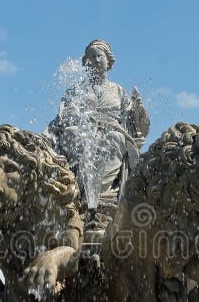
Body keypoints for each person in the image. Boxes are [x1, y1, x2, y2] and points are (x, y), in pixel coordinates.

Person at [49, 39, 150, 217]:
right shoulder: (75, 91)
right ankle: (81, 193)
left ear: (108, 60)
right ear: (86, 63)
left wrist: (138, 109)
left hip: (111, 134)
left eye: (99, 56)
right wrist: (81, 118)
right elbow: (63, 117)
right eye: (91, 57)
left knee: (115, 138)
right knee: (75, 134)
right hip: (83, 131)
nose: (95, 60)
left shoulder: (118, 91)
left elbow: (134, 126)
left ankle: (102, 198)